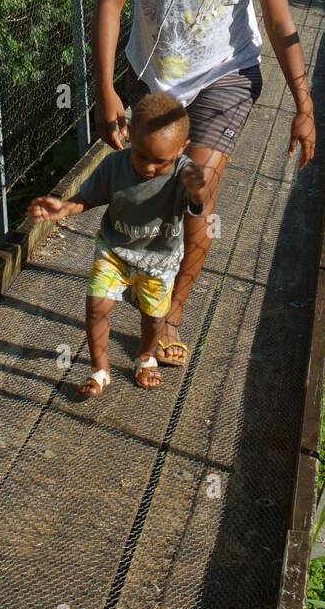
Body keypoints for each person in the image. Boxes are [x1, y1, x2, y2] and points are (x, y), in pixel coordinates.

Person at [92, 0, 317, 367]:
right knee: (149, 192)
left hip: (227, 74)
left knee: (195, 192)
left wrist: (304, 102)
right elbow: (111, 2)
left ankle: (171, 312)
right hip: (156, 78)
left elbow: (279, 18)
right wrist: (106, 89)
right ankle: (139, 282)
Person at [27, 92, 208, 396]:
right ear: (129, 136)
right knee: (97, 307)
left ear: (181, 150)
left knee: (153, 319)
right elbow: (87, 198)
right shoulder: (115, 166)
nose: (149, 168)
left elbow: (199, 202)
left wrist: (197, 190)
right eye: (141, 156)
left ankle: (145, 356)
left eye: (160, 161)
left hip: (158, 261)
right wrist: (63, 208)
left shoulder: (184, 173)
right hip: (114, 250)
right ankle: (100, 369)